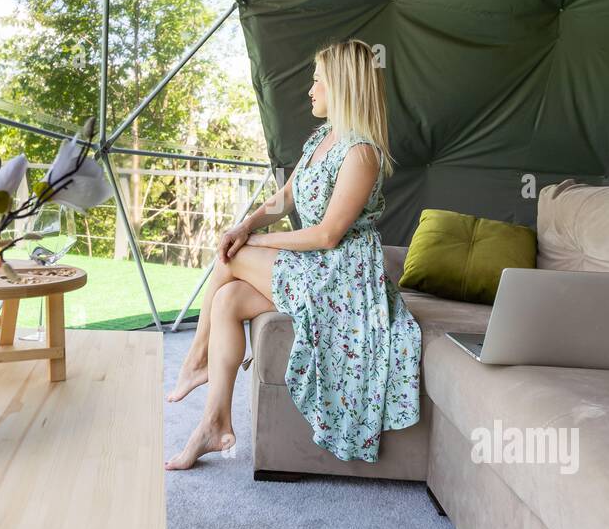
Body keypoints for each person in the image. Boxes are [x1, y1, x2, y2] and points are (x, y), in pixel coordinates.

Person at [164, 38, 423, 471]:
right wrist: (246, 226)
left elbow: (326, 235)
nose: (311, 89)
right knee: (228, 299)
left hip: (343, 275)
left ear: (340, 85)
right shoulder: (322, 138)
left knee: (230, 258)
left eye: (318, 79)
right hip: (316, 270)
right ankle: (214, 424)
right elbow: (283, 201)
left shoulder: (361, 153)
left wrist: (256, 243)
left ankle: (195, 360)